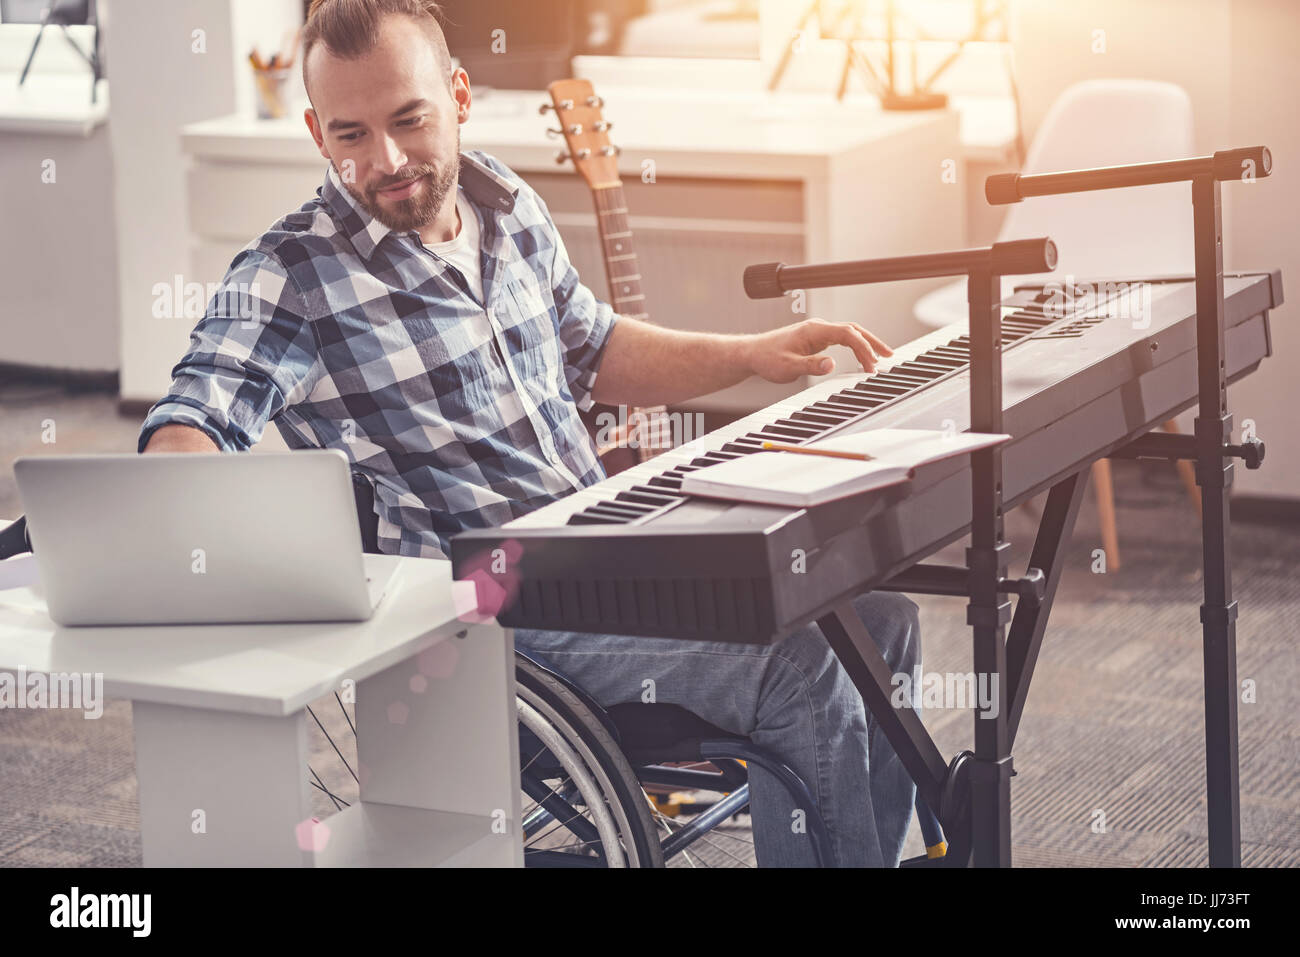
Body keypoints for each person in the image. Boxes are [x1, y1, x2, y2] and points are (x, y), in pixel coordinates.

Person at [140, 0, 921, 866]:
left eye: (409, 120)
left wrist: (756, 353)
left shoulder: (507, 208)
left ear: (460, 96)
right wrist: (180, 507)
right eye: (352, 134)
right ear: (319, 135)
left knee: (875, 617)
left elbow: (596, 347)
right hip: (490, 623)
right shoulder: (291, 277)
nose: (387, 161)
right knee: (805, 663)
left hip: (607, 554)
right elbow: (194, 415)